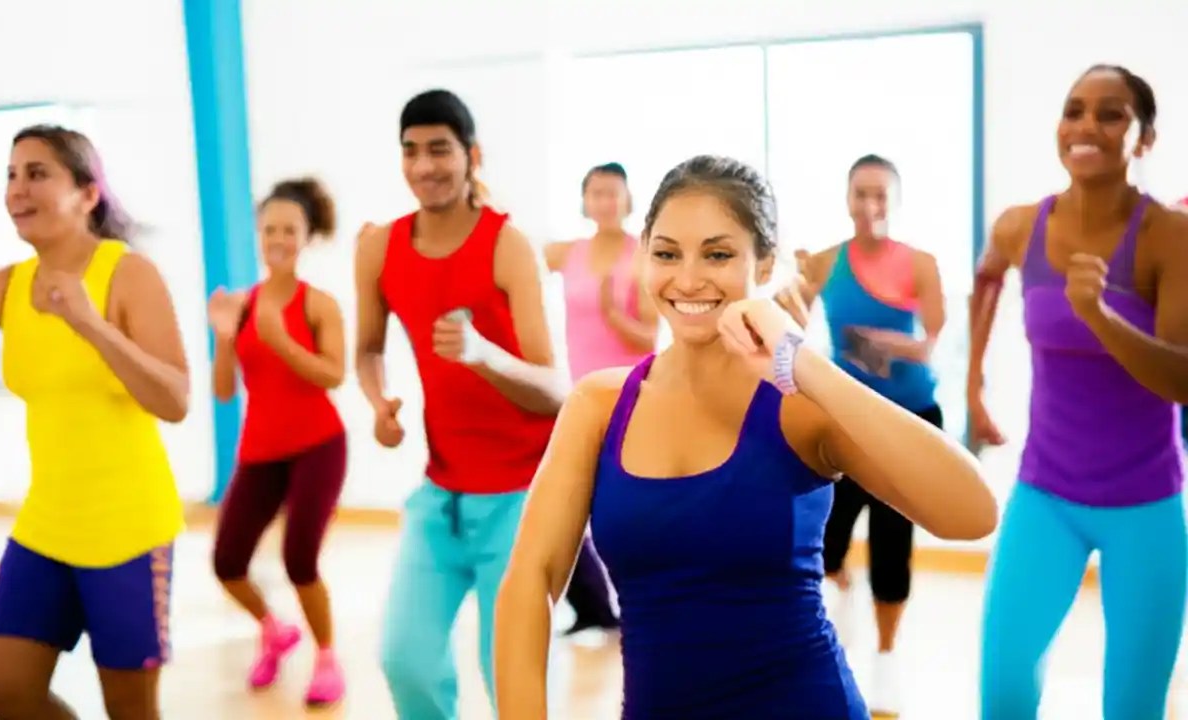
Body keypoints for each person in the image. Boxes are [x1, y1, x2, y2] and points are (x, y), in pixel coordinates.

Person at [493, 154, 998, 719]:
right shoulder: (599, 406)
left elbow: (971, 513)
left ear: (765, 265)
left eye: (718, 254)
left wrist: (802, 363)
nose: (687, 278)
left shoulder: (800, 408)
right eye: (666, 253)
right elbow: (530, 579)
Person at [0, 124, 188, 719]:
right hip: (47, 524)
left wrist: (90, 323)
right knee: (9, 692)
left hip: (127, 528)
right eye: (11, 175)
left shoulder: (128, 274)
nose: (17, 190)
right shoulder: (2, 289)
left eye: (37, 174)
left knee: (131, 713)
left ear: (89, 194)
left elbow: (175, 399)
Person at [971, 64, 1188, 719]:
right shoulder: (1018, 226)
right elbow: (986, 279)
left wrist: (1101, 316)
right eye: (1074, 110)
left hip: (1146, 506)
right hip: (1046, 497)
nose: (1086, 126)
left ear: (1143, 138)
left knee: (1132, 707)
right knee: (1005, 694)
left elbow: (1180, 378)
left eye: (1111, 113)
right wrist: (972, 381)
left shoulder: (1169, 239)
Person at [354, 89, 567, 720]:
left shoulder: (508, 245)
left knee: (511, 678)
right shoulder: (378, 248)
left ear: (470, 155)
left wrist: (482, 355)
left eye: (440, 149)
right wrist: (379, 400)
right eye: (411, 151)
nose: (425, 166)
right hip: (441, 494)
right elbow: (368, 347)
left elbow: (558, 391)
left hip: (521, 499)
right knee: (404, 658)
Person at [777, 153, 947, 714]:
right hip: (846, 422)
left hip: (910, 419)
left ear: (895, 201)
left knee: (893, 548)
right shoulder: (827, 261)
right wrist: (793, 282)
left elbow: (930, 341)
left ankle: (888, 658)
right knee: (826, 542)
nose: (870, 206)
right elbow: (790, 322)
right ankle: (842, 603)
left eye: (881, 195)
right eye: (860, 194)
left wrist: (880, 341)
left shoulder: (921, 263)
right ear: (847, 198)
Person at [207, 177, 349, 706]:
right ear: (258, 234)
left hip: (318, 444)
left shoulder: (320, 305)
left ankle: (327, 656)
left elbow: (333, 375)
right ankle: (273, 630)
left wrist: (282, 341)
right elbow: (224, 392)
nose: (279, 237)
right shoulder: (243, 305)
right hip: (261, 450)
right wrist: (225, 341)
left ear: (306, 236)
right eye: (270, 228)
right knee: (227, 561)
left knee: (299, 558)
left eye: (290, 229)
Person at [543, 161, 656, 639]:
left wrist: (613, 312)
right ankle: (596, 605)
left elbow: (650, 334)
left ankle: (639, 603)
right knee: (571, 501)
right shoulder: (566, 252)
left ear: (628, 200)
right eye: (597, 193)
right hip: (578, 396)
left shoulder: (642, 256)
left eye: (614, 193)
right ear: (585, 201)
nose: (606, 202)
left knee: (626, 501)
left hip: (630, 395)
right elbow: (508, 236)